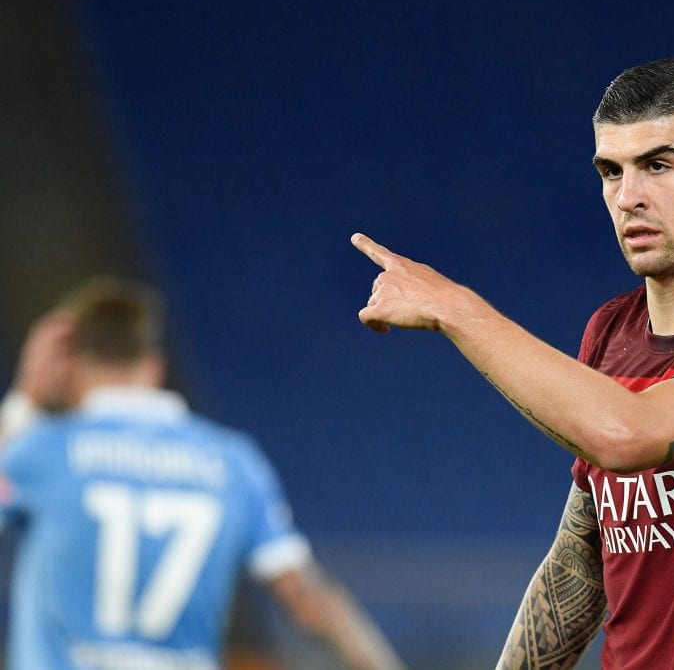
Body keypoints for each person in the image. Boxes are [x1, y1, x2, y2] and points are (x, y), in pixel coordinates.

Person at [350, 57, 674, 669]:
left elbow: (626, 435)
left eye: (657, 165)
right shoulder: (610, 333)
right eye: (611, 171)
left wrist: (457, 309)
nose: (629, 197)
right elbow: (580, 558)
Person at [0, 276, 407, 670]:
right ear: (155, 366)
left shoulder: (43, 450)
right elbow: (305, 598)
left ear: (68, 367)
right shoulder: (232, 463)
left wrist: (24, 400)